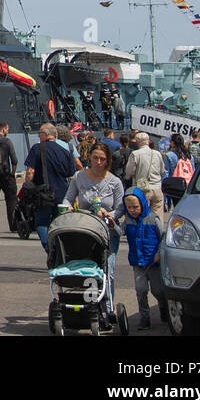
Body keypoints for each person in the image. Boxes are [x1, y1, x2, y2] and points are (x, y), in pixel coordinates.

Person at [61, 142, 124, 300]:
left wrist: (111, 215)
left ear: (107, 160)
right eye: (95, 158)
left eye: (102, 159)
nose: (98, 162)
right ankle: (90, 303)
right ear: (89, 157)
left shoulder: (115, 182)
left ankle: (108, 307)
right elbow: (68, 199)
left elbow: (121, 208)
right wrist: (66, 208)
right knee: (87, 270)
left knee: (107, 270)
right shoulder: (79, 177)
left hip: (107, 231)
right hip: (85, 230)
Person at [117, 188, 167, 330]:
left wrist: (158, 254)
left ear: (143, 204)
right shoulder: (128, 221)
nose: (132, 210)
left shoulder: (152, 218)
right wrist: (111, 223)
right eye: (129, 207)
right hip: (138, 263)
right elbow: (120, 232)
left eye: (135, 207)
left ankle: (163, 307)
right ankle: (144, 318)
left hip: (153, 263)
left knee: (158, 290)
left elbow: (162, 238)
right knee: (141, 290)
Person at [23, 122, 76, 251]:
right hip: (62, 194)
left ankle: (50, 250)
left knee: (41, 222)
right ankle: (61, 250)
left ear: (46, 134)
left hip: (43, 193)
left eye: (39, 134)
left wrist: (27, 188)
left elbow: (30, 171)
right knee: (59, 224)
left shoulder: (37, 148)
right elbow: (71, 175)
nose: (38, 136)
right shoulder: (66, 150)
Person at [124, 131, 165, 223]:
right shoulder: (157, 153)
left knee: (142, 215)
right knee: (157, 216)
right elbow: (162, 170)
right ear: (148, 141)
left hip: (142, 188)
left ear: (137, 142)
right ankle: (157, 234)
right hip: (157, 187)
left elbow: (129, 172)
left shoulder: (135, 154)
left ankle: (143, 234)